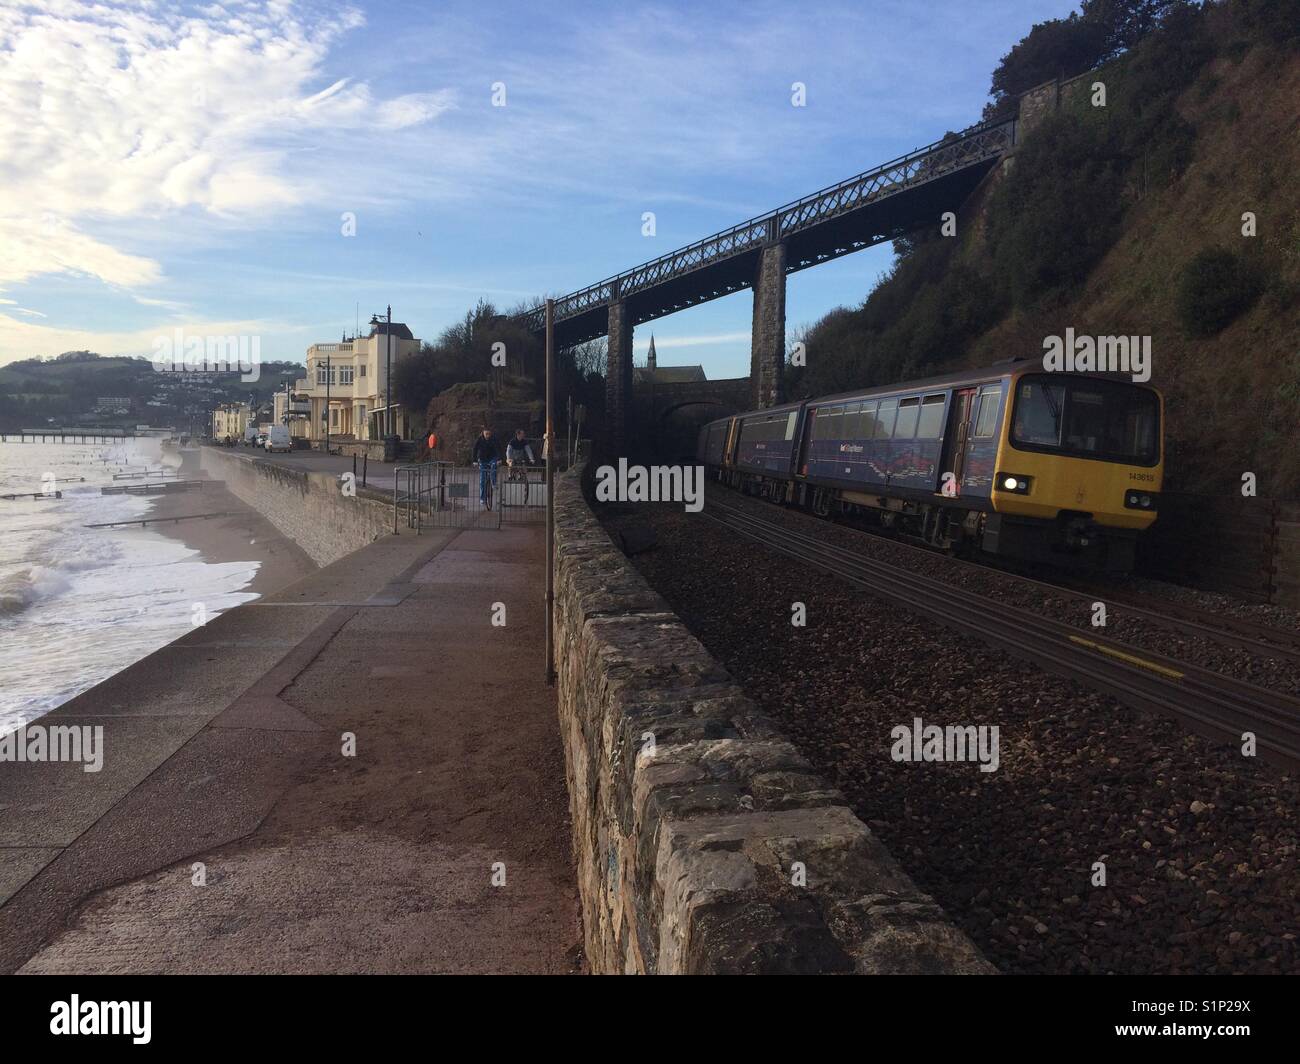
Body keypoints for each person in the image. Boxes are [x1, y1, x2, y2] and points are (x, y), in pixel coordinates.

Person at [471, 427, 499, 509]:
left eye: (489, 434)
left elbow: (498, 449)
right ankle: (482, 498)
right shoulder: (479, 440)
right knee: (482, 479)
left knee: (494, 465)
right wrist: (474, 461)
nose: (488, 436)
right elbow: (475, 449)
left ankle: (493, 483)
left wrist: (499, 459)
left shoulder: (493, 439)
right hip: (482, 459)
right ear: (483, 433)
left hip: (492, 458)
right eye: (486, 434)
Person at [506, 429, 536, 502]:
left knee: (523, 466)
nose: (523, 435)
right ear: (518, 435)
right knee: (511, 464)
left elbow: (528, 450)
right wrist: (509, 458)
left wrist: (531, 458)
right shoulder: (512, 442)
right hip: (513, 458)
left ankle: (522, 475)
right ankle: (510, 475)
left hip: (521, 458)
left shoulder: (524, 442)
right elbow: (508, 451)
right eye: (522, 434)